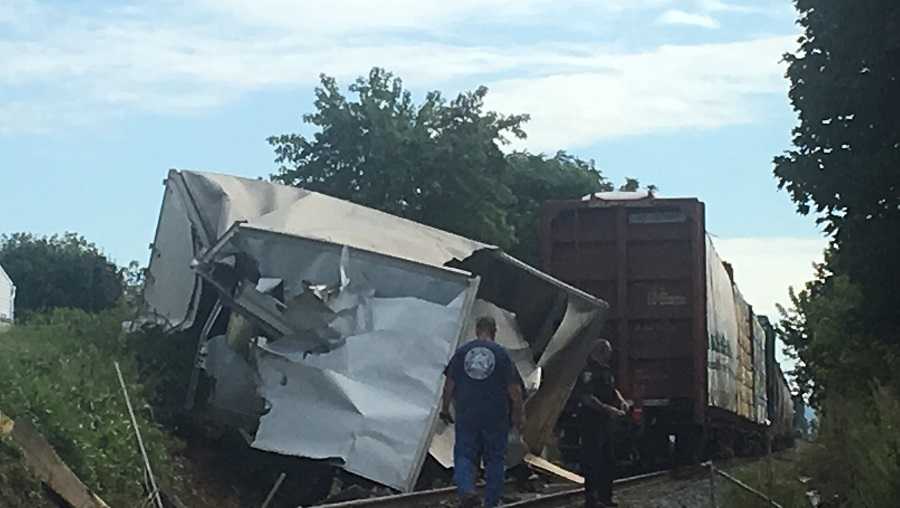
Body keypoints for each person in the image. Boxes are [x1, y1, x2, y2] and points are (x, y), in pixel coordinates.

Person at [440, 316, 524, 508]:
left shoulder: (462, 353)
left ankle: (467, 491)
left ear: (477, 330)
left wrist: (445, 409)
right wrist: (518, 415)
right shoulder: (501, 354)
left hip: (467, 413)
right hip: (495, 415)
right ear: (494, 330)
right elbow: (515, 390)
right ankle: (490, 502)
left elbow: (449, 385)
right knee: (495, 459)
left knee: (464, 455)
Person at [576, 339, 629, 508]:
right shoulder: (588, 371)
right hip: (592, 423)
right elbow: (587, 398)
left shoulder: (605, 370)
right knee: (593, 461)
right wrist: (609, 410)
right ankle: (592, 499)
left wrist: (620, 400)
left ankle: (606, 497)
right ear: (600, 352)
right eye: (608, 352)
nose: (610, 355)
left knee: (608, 460)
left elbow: (612, 389)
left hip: (606, 424)